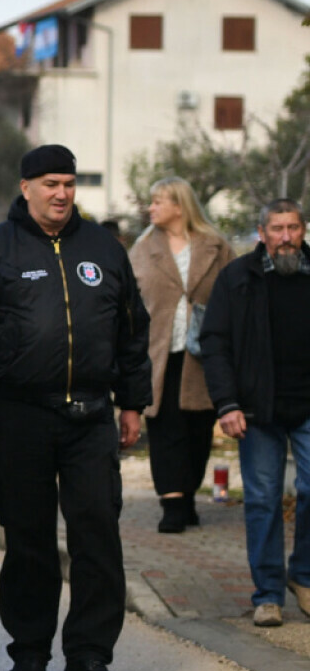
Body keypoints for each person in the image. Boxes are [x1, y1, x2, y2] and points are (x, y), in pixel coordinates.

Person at [0, 144, 150, 671]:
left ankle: (90, 654)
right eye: (50, 183)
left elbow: (132, 329)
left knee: (96, 535)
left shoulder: (103, 246)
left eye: (69, 184)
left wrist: (134, 403)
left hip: (92, 416)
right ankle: (29, 652)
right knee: (27, 537)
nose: (61, 194)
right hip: (22, 413)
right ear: (26, 187)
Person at [199, 198, 310, 628]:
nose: (286, 238)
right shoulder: (237, 278)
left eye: (293, 228)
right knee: (262, 500)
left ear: (303, 231)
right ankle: (267, 593)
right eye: (277, 229)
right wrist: (226, 403)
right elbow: (214, 343)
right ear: (262, 234)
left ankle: (302, 575)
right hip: (256, 409)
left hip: (307, 405)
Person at [131, 177, 233, 534]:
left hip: (203, 355)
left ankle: (186, 496)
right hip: (159, 353)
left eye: (159, 202)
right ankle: (171, 502)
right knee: (164, 427)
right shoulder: (143, 248)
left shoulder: (216, 247)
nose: (152, 208)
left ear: (179, 206)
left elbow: (233, 296)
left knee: (198, 429)